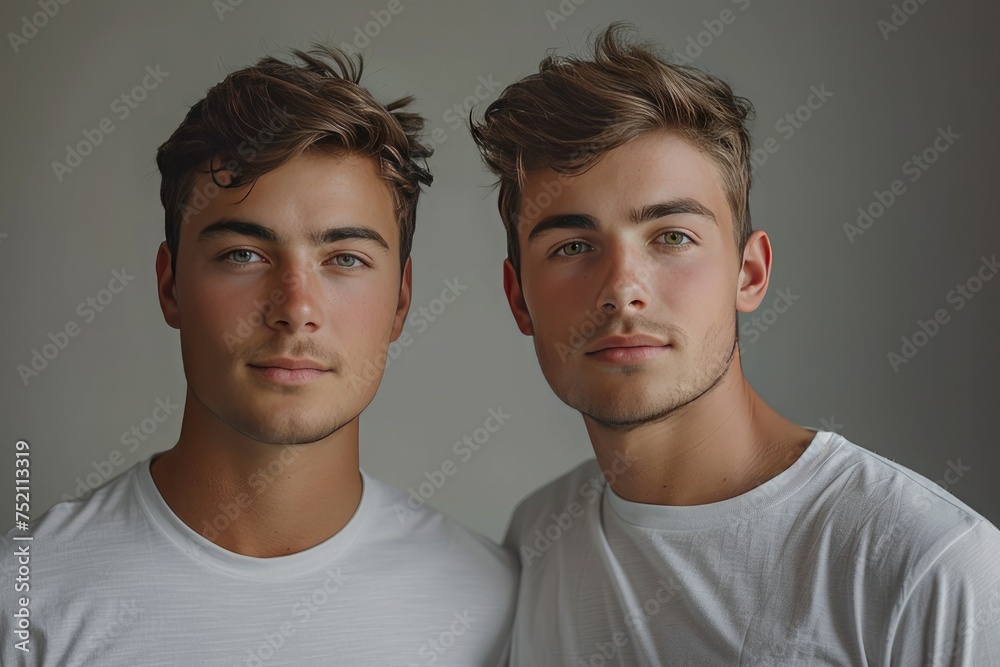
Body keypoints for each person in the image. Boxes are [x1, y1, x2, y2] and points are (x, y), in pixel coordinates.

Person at [470, 22, 1000, 666]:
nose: (622, 290)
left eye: (672, 237)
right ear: (519, 297)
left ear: (749, 272)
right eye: (573, 247)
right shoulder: (539, 537)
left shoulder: (931, 567)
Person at [1, 44, 515, 666]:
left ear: (401, 301)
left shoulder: (495, 607)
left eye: (345, 259)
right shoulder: (26, 599)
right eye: (243, 254)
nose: (294, 307)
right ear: (169, 286)